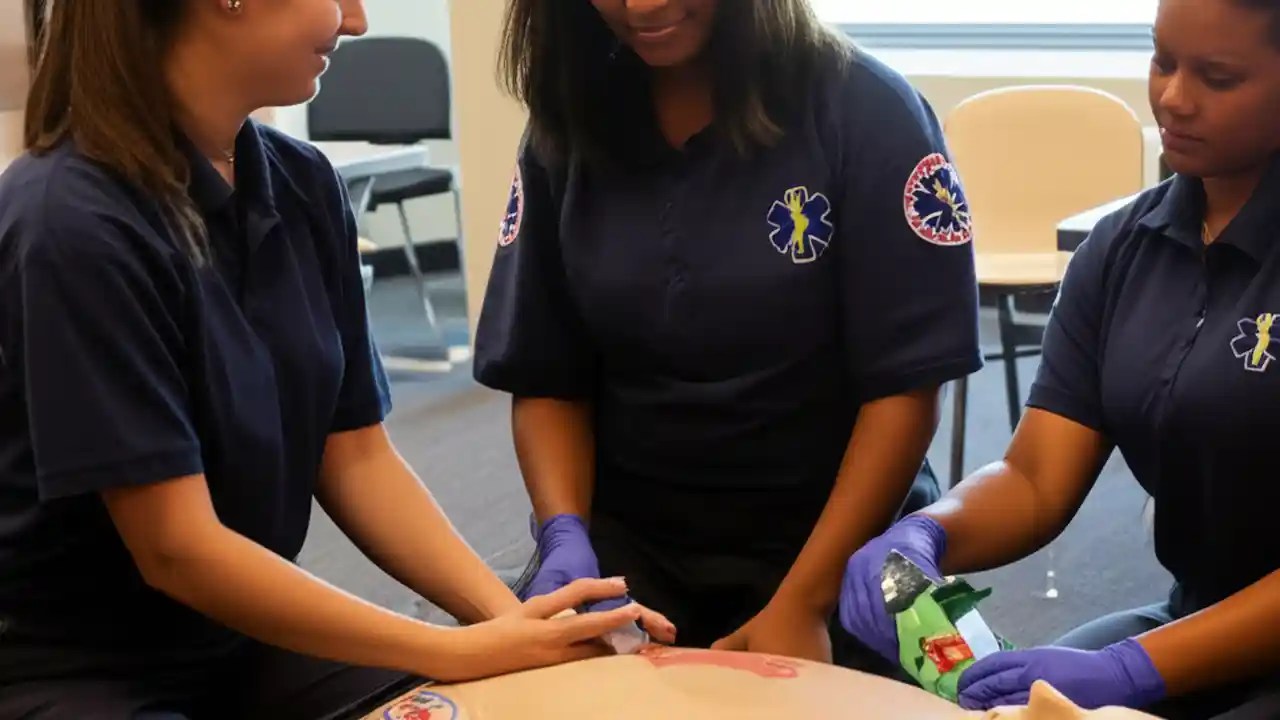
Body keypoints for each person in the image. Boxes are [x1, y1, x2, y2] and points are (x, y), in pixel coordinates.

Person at [0, 1, 673, 718]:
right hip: (76, 670)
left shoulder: (300, 182)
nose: (355, 20)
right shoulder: (70, 222)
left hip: (239, 641)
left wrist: (506, 624)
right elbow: (177, 550)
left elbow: (354, 458)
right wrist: (455, 650)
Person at [474, 0, 982, 669]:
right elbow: (548, 375)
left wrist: (804, 603)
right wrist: (564, 534)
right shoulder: (567, 122)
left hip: (842, 548)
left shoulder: (868, 109)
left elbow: (906, 389)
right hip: (636, 552)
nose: (641, 6)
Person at [837, 0, 1280, 717]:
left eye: (1219, 77)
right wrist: (929, 532)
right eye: (1162, 60)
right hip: (1199, 615)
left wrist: (1133, 670)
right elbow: (1036, 475)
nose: (1172, 96)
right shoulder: (1121, 249)